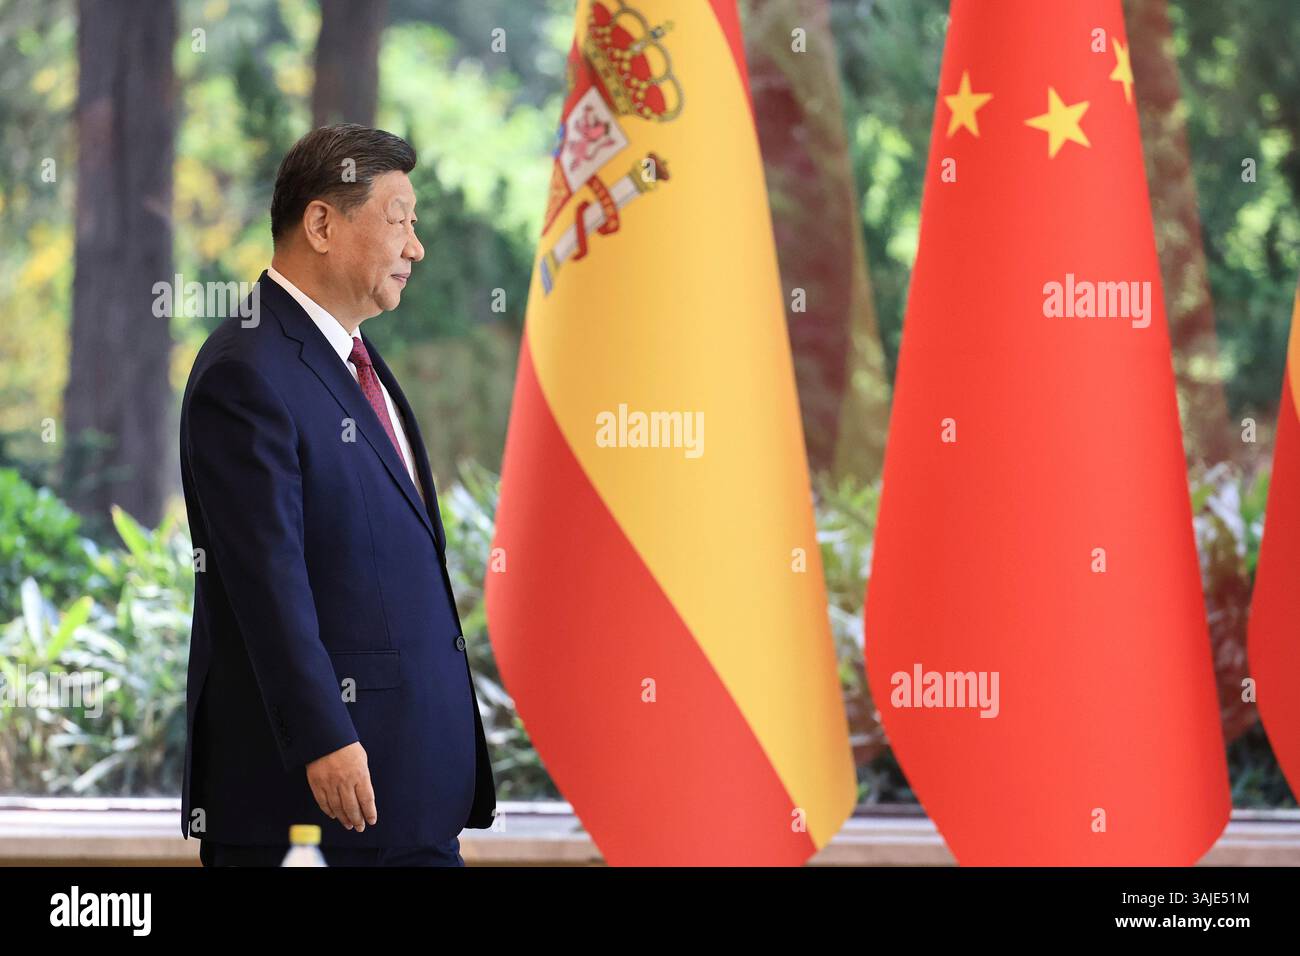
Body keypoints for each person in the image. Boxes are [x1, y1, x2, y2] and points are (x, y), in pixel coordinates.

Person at [178, 124, 496, 867]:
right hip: (316, 809)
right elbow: (267, 582)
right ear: (322, 223)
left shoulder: (355, 356)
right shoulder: (245, 372)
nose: (415, 248)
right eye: (399, 220)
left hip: (405, 795)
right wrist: (325, 734)